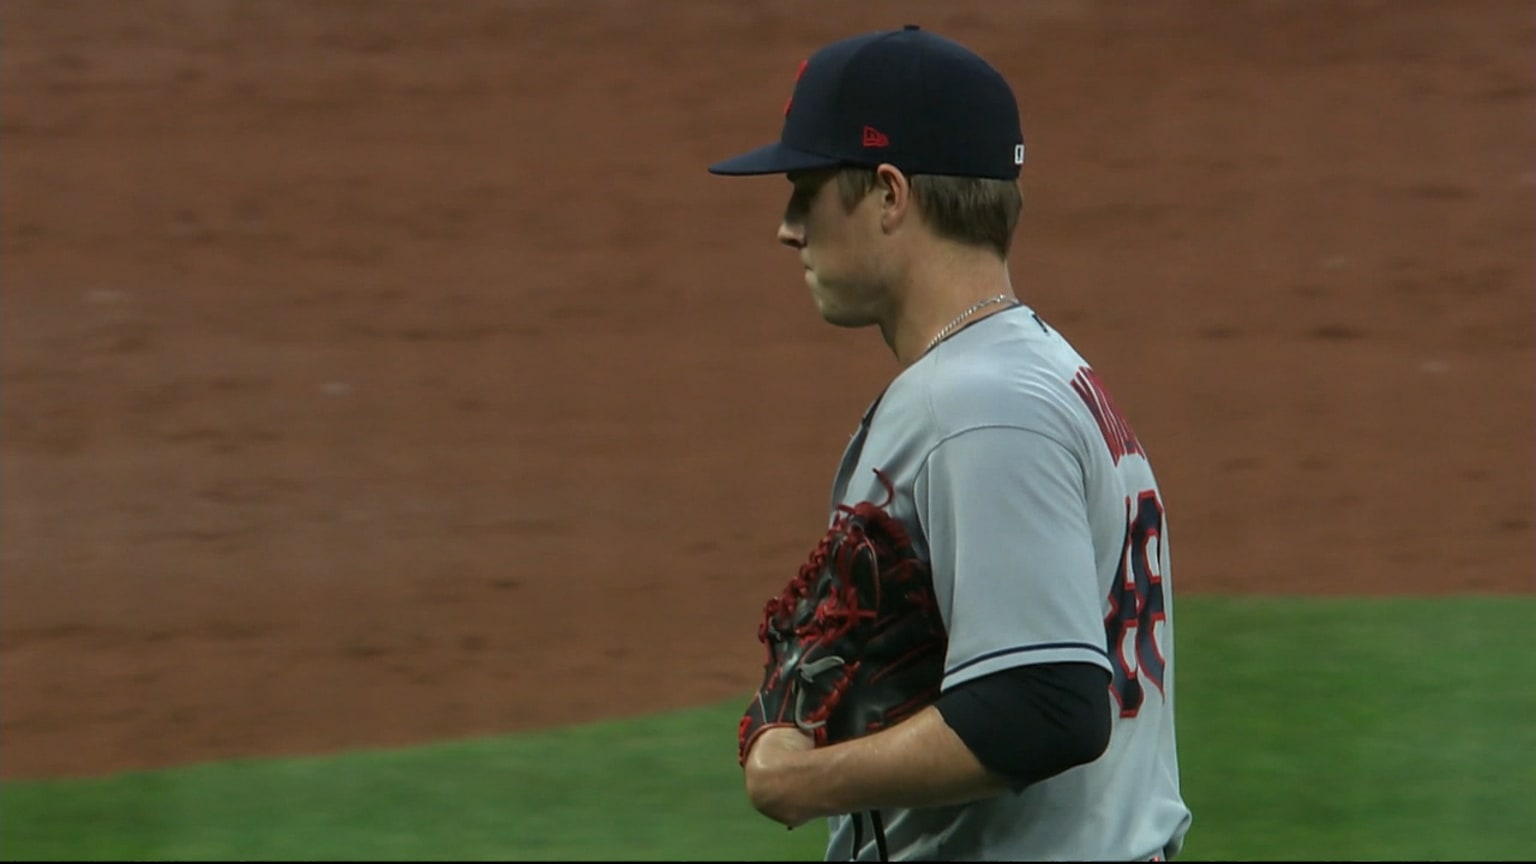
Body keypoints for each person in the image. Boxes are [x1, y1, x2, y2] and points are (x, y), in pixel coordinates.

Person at [707, 24, 1193, 862]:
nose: (789, 228)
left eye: (808, 189)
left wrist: (797, 779)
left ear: (890, 195)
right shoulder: (1034, 368)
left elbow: (1045, 707)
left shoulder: (981, 402)